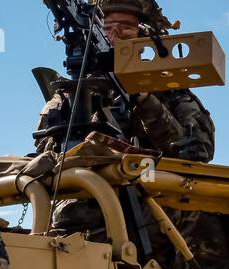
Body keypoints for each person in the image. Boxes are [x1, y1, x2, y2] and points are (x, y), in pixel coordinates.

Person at [33, 0, 215, 163]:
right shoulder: (69, 94)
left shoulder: (170, 90)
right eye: (107, 27)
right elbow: (44, 150)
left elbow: (198, 153)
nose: (115, 35)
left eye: (126, 27)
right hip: (86, 191)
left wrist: (145, 100)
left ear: (143, 36)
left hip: (151, 194)